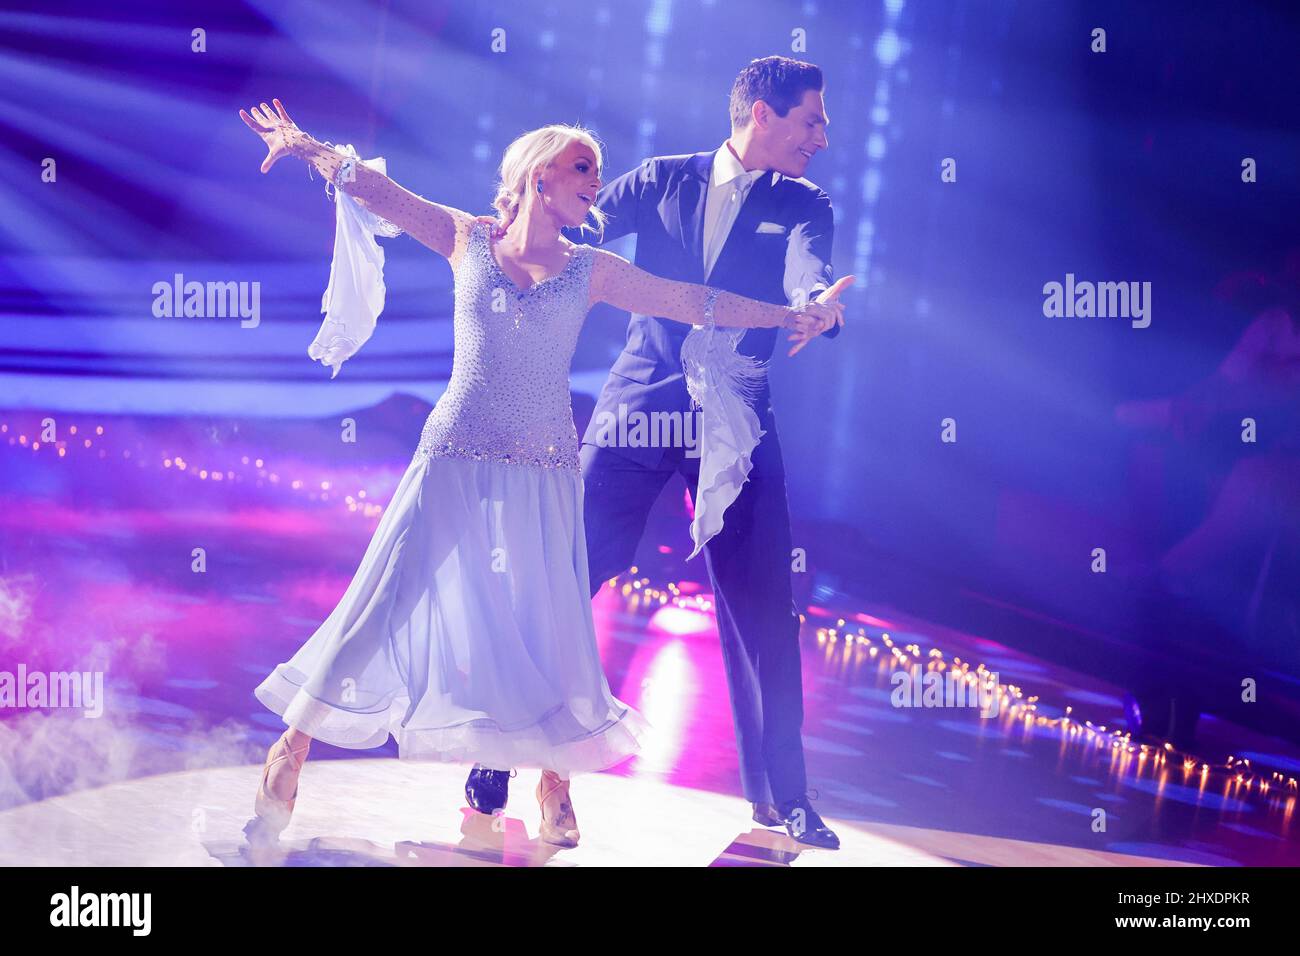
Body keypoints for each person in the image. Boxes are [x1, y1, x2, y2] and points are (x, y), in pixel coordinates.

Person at [238, 98, 849, 849]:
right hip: (453, 456)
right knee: (381, 602)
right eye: (583, 168)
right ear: (538, 174)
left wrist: (795, 316)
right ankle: (289, 750)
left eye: (597, 169)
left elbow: (694, 302)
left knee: (551, 630)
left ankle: (553, 781)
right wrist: (305, 145)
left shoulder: (593, 270)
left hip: (544, 471)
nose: (598, 181)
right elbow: (374, 188)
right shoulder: (465, 237)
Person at [475, 56, 843, 849]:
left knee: (762, 606)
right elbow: (574, 217)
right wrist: (505, 224)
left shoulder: (808, 205)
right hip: (643, 405)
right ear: (762, 114)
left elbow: (810, 276)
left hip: (737, 421)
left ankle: (787, 798)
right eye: (811, 119)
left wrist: (815, 310)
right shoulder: (662, 179)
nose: (822, 136)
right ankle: (500, 759)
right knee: (568, 577)